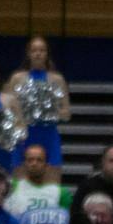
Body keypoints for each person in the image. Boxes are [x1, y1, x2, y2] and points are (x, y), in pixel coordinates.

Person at [14, 36, 70, 182]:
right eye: (34, 50)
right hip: (25, 135)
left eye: (42, 50)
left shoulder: (57, 79)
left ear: (47, 54)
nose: (38, 53)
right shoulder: (18, 78)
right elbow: (9, 110)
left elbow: (66, 114)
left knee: (51, 186)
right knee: (21, 187)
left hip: (49, 135)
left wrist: (47, 112)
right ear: (28, 53)